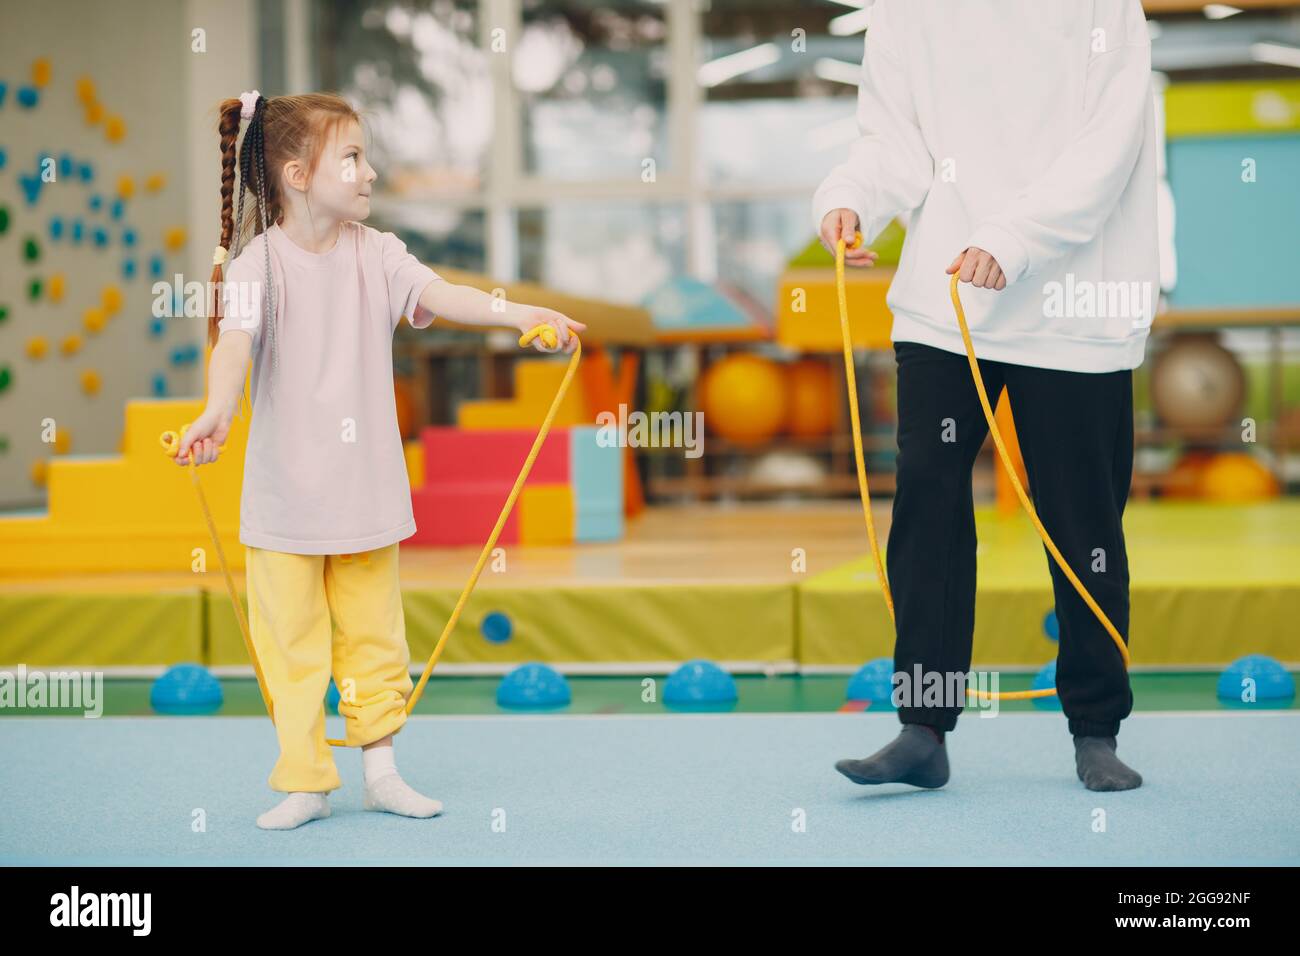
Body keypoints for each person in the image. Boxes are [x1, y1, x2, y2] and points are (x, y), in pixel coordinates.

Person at [178, 91, 585, 829]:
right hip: (282, 505)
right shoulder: (254, 269)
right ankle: (305, 782)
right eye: (353, 158)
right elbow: (232, 348)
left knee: (374, 639)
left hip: (363, 495)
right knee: (292, 648)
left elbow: (445, 294)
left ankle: (382, 771)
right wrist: (213, 412)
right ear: (299, 175)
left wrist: (522, 315)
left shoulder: (381, 254)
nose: (369, 173)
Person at [812, 0, 1158, 792]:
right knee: (927, 507)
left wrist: (1015, 237)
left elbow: (1109, 146)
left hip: (1076, 309)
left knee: (1083, 523)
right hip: (943, 304)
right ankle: (923, 727)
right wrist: (853, 198)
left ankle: (1095, 730)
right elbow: (894, 140)